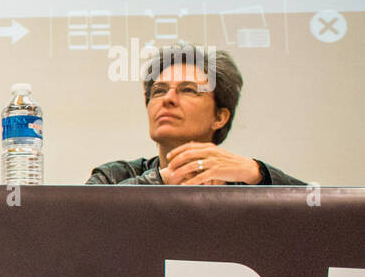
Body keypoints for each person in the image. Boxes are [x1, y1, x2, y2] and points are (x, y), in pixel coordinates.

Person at [87, 44, 303, 185]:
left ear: (220, 116)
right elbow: (77, 219)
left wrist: (258, 174)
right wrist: (163, 180)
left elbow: (324, 217)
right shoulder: (114, 177)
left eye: (188, 90)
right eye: (159, 91)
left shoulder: (247, 180)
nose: (168, 99)